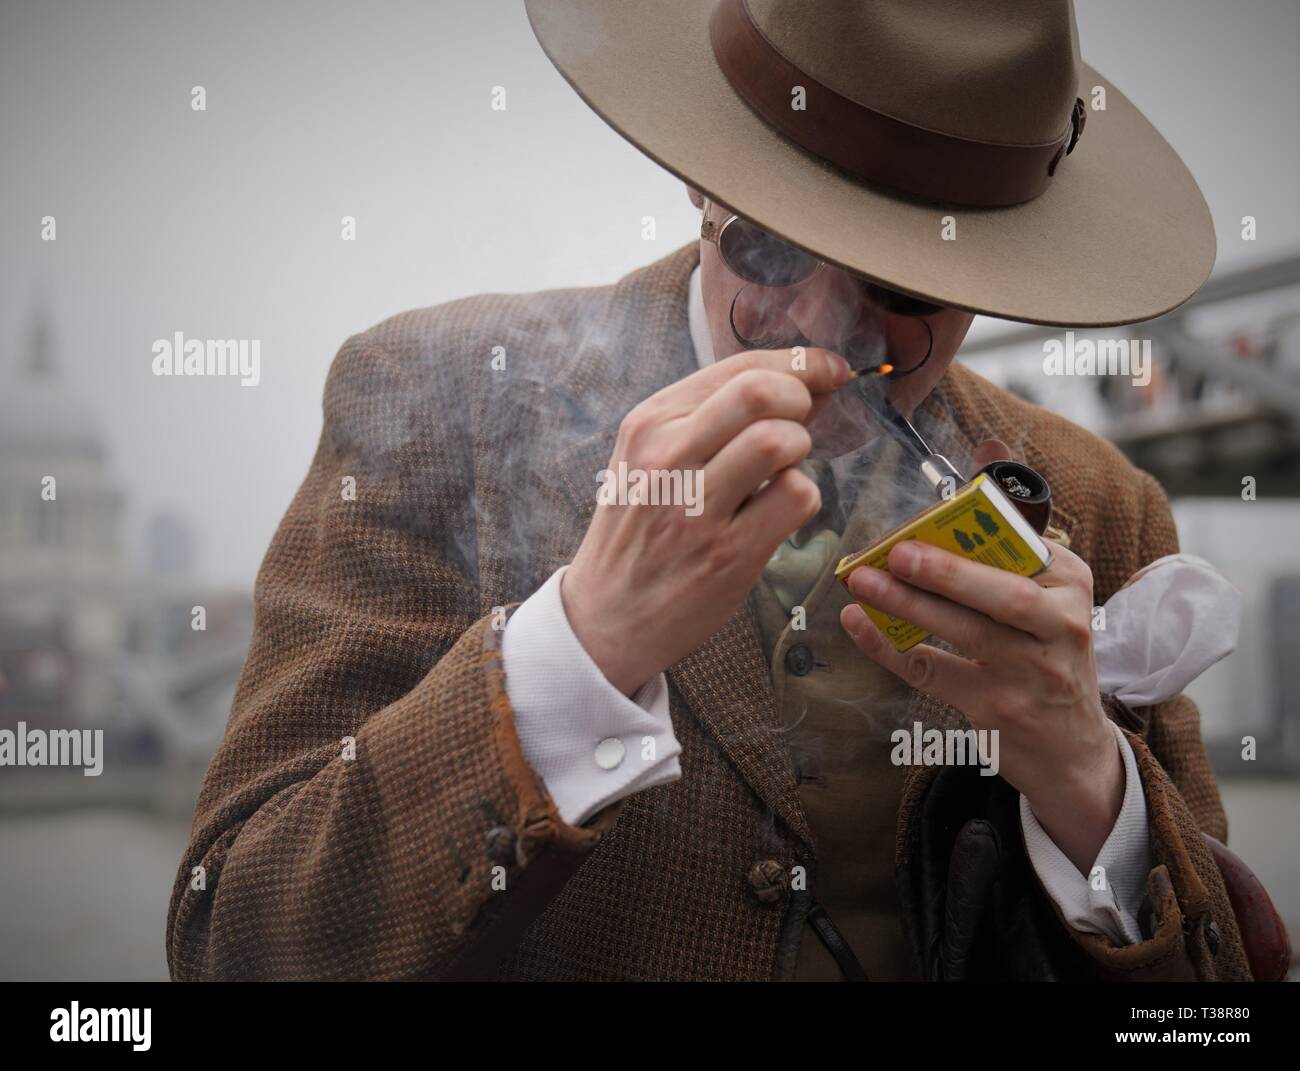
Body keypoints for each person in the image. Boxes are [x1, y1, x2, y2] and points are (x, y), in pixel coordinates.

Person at [167, 0, 1255, 981]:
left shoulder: (1099, 504)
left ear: (994, 278)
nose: (821, 331)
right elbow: (233, 942)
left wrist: (1084, 788)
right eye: (770, 246)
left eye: (902, 286)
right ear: (703, 185)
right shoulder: (425, 403)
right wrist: (575, 647)